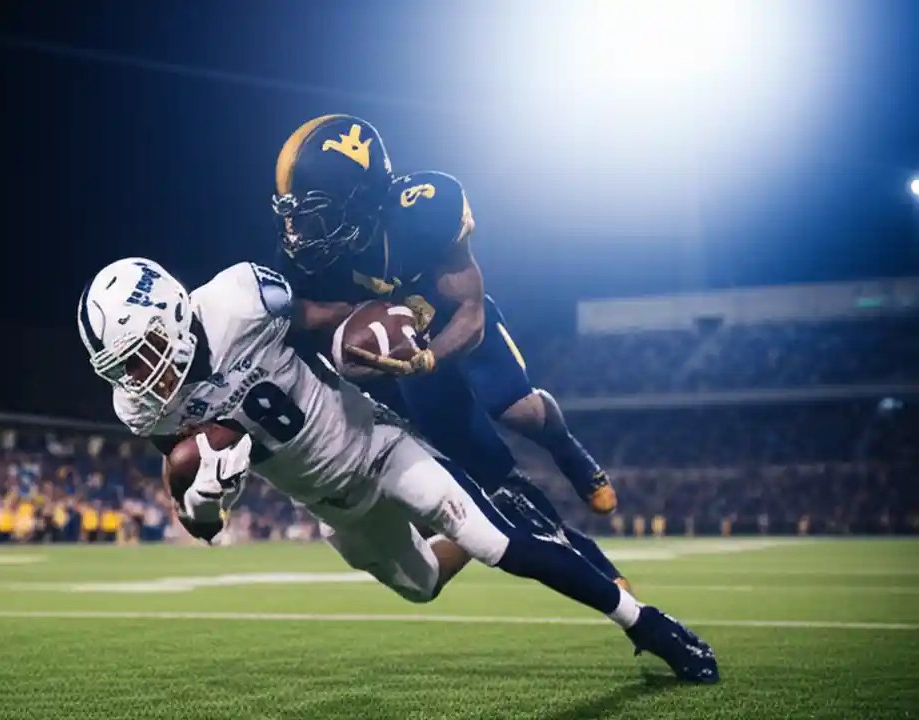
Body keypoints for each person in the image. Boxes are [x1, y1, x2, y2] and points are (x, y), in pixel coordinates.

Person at [76, 256, 718, 683]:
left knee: (495, 543)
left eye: (144, 353)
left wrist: (370, 335)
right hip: (332, 508)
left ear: (175, 314)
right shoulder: (142, 403)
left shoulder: (240, 300)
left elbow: (327, 323)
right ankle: (493, 504)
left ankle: (646, 623)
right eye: (124, 369)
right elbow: (194, 507)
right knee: (423, 584)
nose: (140, 376)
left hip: (377, 444)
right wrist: (208, 503)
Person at [269, 113, 629, 590]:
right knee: (492, 476)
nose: (302, 228)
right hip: (405, 364)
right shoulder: (306, 264)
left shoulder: (426, 209)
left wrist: (431, 357)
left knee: (517, 410)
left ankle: (568, 450)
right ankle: (599, 572)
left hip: (451, 327)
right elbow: (307, 333)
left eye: (318, 211)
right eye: (297, 212)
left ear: (360, 201)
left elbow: (471, 312)